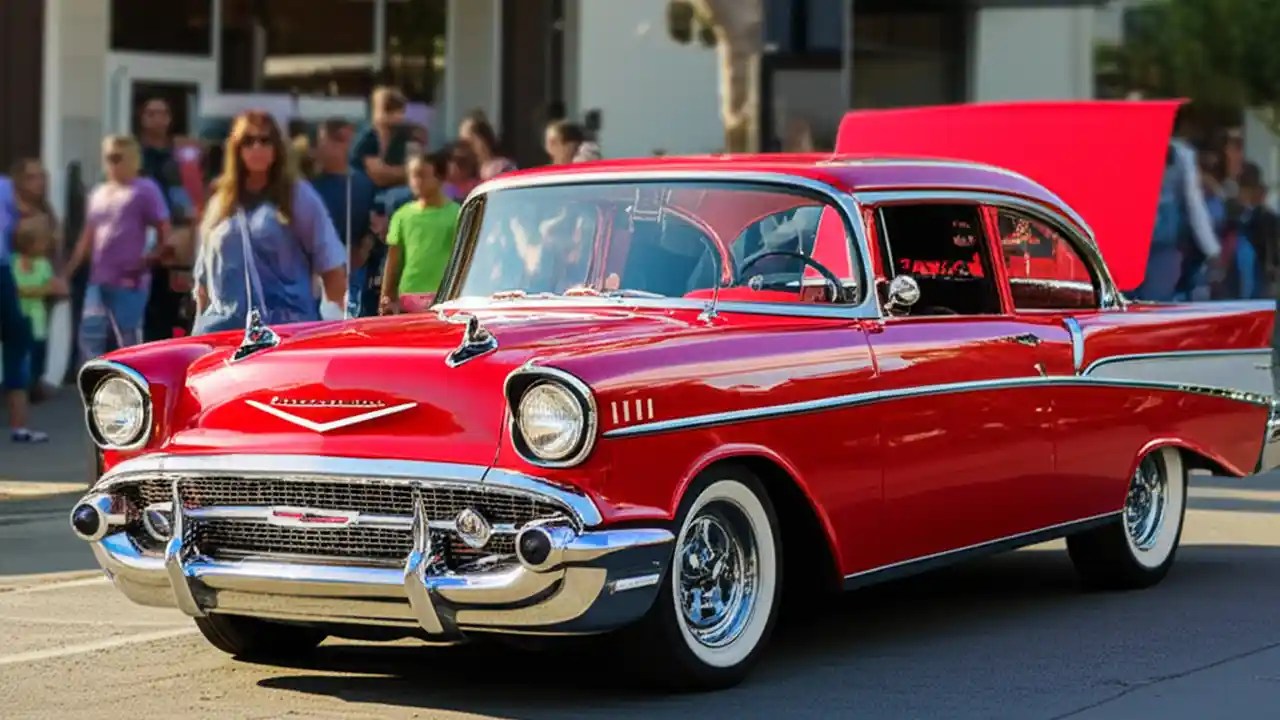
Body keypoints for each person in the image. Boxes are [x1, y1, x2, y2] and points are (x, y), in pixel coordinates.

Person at [191, 111, 348, 335]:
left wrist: (338, 325)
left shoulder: (297, 196)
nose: (257, 148)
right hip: (221, 332)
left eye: (265, 141)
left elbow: (331, 267)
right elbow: (203, 283)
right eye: (248, 141)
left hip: (284, 332)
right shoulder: (220, 203)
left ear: (276, 148)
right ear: (236, 149)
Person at [61, 136, 171, 362]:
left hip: (130, 279)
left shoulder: (145, 189)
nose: (112, 163)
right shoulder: (98, 193)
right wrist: (68, 272)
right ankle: (93, 387)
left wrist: (153, 256)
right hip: (98, 278)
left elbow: (163, 225)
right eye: (108, 157)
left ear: (132, 159)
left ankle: (132, 388)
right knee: (91, 335)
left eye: (117, 157)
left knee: (127, 339)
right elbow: (87, 236)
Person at [1133, 113, 1220, 302]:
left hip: (1163, 245)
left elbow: (1194, 203)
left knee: (1156, 302)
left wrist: (1211, 249)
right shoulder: (1134, 150)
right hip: (1137, 243)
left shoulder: (1182, 156)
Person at [310, 118, 378, 316]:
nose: (332, 147)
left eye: (340, 140)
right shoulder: (307, 185)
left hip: (352, 276)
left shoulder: (362, 184)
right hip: (314, 277)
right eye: (329, 140)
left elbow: (370, 230)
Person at [379, 151, 460, 315]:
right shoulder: (402, 216)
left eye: (422, 175)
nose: (416, 182)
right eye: (412, 176)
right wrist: (386, 295)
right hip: (408, 296)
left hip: (445, 296)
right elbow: (394, 259)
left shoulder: (457, 214)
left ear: (440, 177)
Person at [1, 174, 48, 442]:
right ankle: (19, 426)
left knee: (16, 340)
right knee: (16, 341)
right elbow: (22, 217)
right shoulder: (5, 186)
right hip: (1, 268)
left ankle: (19, 425)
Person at [11, 226, 66, 399]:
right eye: (42, 242)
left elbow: (53, 287)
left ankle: (34, 385)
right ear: (29, 244)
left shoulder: (43, 265)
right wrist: (40, 290)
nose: (46, 246)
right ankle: (13, 386)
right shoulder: (12, 262)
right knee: (14, 353)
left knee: (37, 354)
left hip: (37, 319)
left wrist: (28, 290)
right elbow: (14, 289)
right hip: (15, 317)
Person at [350, 86, 412, 191]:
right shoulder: (368, 138)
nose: (399, 116)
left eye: (399, 111)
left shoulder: (400, 137)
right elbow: (379, 175)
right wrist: (409, 172)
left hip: (390, 190)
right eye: (388, 110)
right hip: (362, 191)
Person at [1230, 163, 1278, 299]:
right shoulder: (1235, 212)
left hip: (1257, 266)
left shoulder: (1266, 216)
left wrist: (1273, 264)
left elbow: (1271, 242)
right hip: (1244, 269)